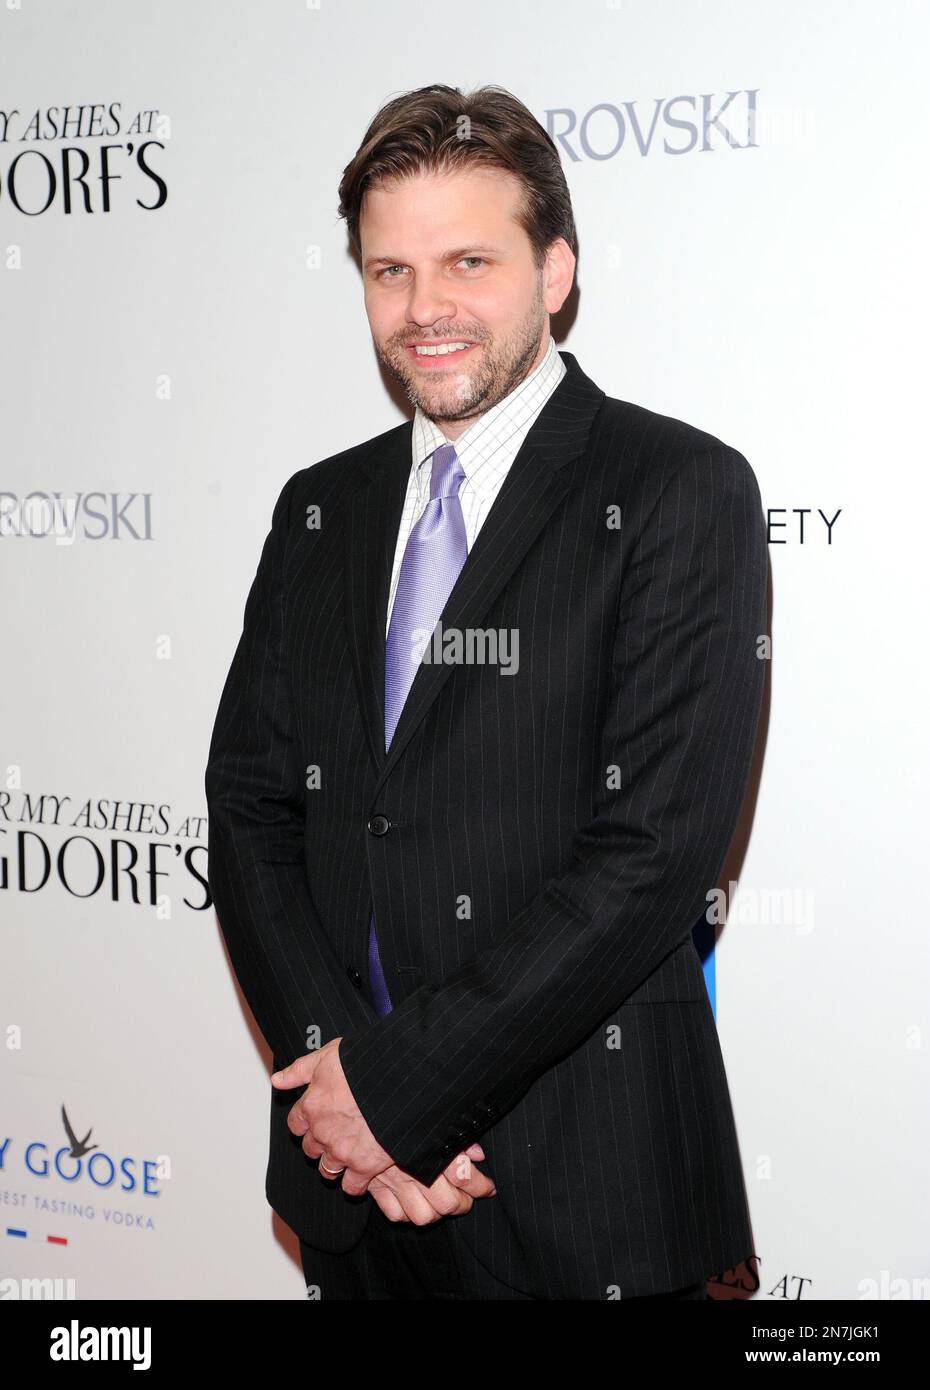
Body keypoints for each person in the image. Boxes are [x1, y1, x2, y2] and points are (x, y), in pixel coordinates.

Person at [204, 82, 766, 1301]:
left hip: (590, 1194)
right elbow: (249, 806)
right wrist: (335, 1084)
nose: (425, 310)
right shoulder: (320, 505)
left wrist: (400, 1094)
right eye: (388, 270)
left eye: (469, 260)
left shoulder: (679, 488)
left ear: (556, 271)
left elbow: (652, 858)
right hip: (353, 1199)